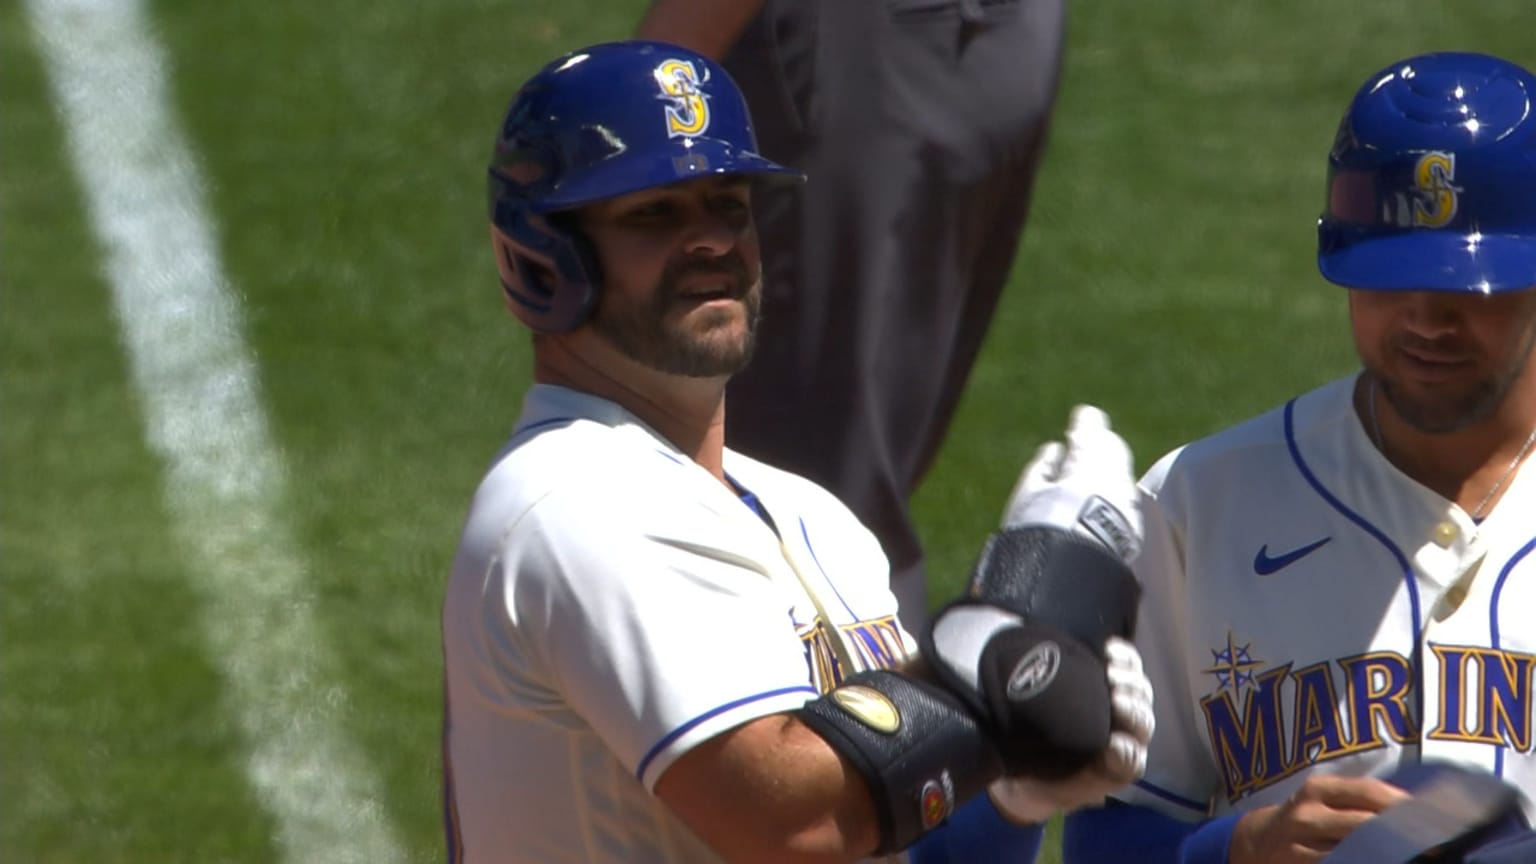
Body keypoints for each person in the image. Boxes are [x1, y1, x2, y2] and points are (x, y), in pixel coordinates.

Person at [440, 39, 1154, 864]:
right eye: (655, 214)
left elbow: (871, 829)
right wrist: (1022, 625)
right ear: (543, 254)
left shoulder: (814, 517)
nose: (712, 240)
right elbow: (786, 825)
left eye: (729, 206)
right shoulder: (576, 503)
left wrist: (1010, 793)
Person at [1061, 51, 1536, 863]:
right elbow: (1103, 832)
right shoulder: (1199, 502)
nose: (1425, 321)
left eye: (1467, 288)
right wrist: (1233, 849)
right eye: (1387, 281)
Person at [635, 0, 1066, 629]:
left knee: (794, 519)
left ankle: (866, 720)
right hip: (997, 39)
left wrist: (652, 80)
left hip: (862, 48)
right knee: (849, 488)